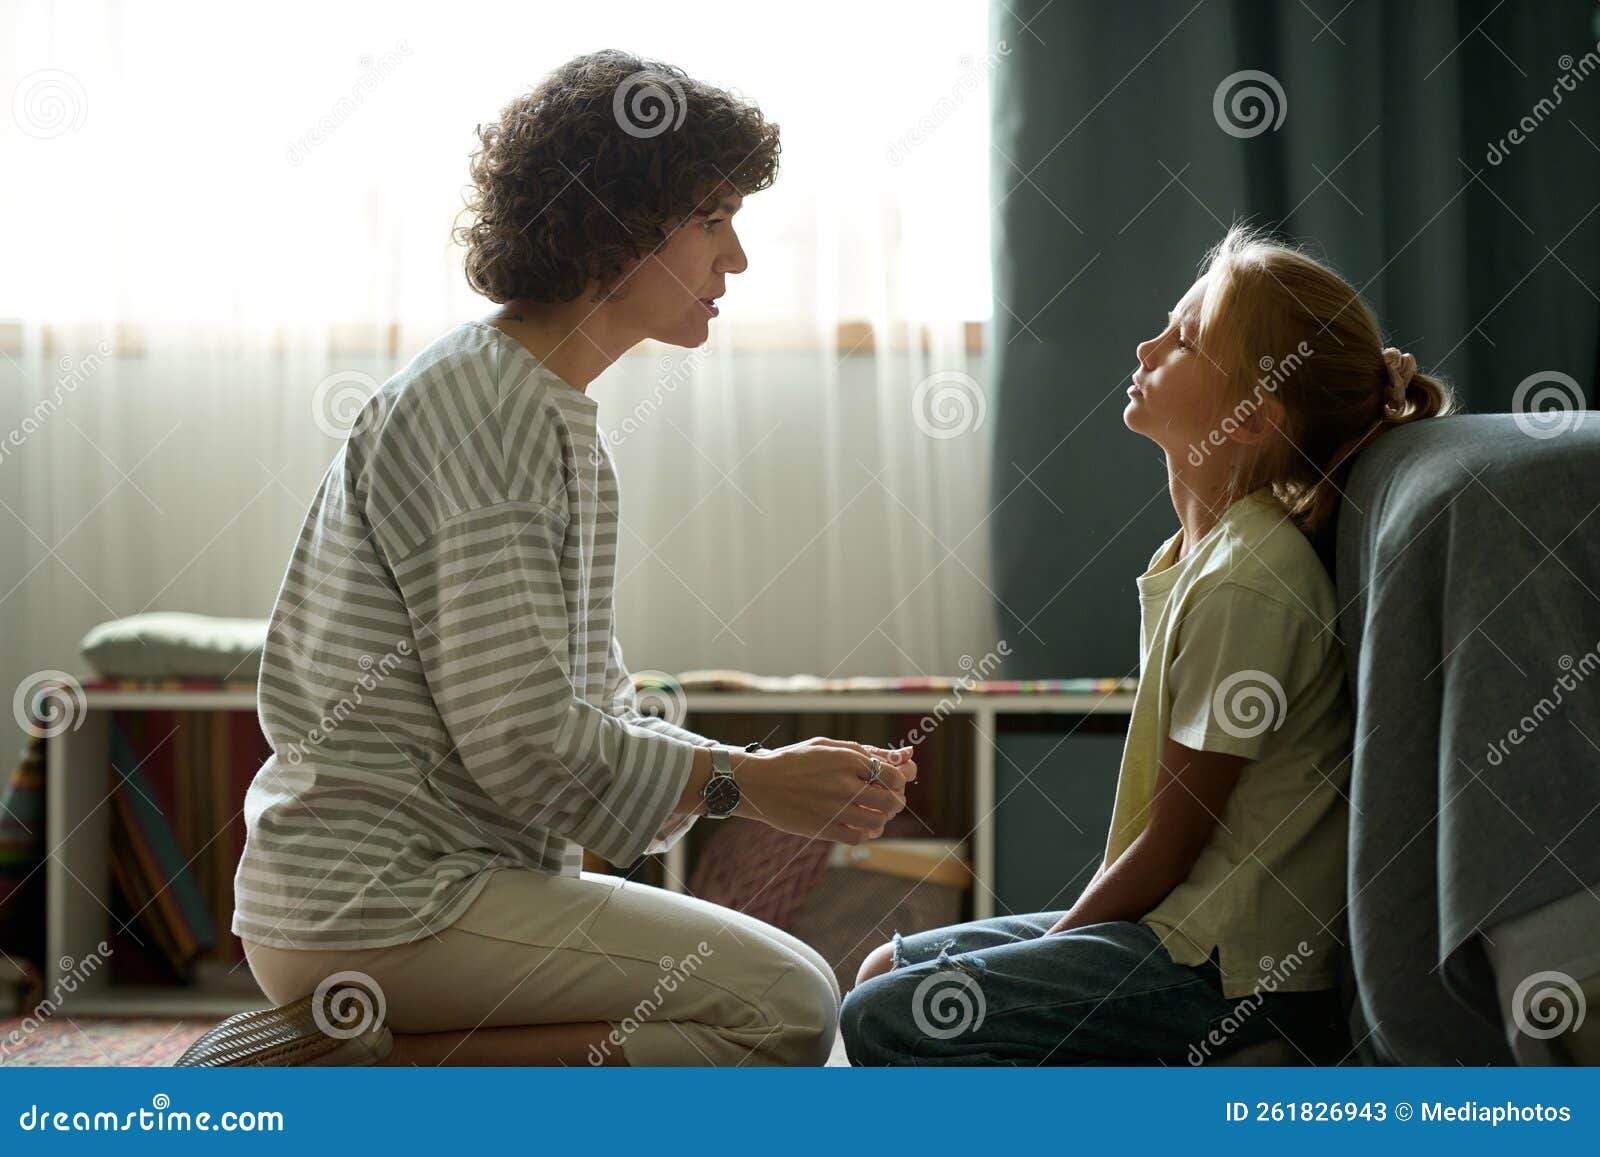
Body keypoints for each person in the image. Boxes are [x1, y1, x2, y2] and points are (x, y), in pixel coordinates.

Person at [178, 49, 915, 1069]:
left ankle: (372, 1058)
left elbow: (582, 711)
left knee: (770, 1004)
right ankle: (349, 1073)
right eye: (712, 218)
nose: (737, 259)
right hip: (384, 902)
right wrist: (748, 783)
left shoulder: (539, 409)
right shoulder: (487, 409)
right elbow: (523, 738)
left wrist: (761, 779)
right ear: (616, 223)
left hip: (445, 891)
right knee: (787, 1003)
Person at [839, 226, 1457, 1065]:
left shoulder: (1248, 580)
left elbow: (1170, 846)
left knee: (887, 1014)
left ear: (1252, 418)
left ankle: (1245, 1060)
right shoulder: (1200, 553)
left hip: (1234, 972)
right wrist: (1039, 960)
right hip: (1180, 931)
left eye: (1184, 342)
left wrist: (1045, 951)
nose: (1147, 347)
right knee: (883, 971)